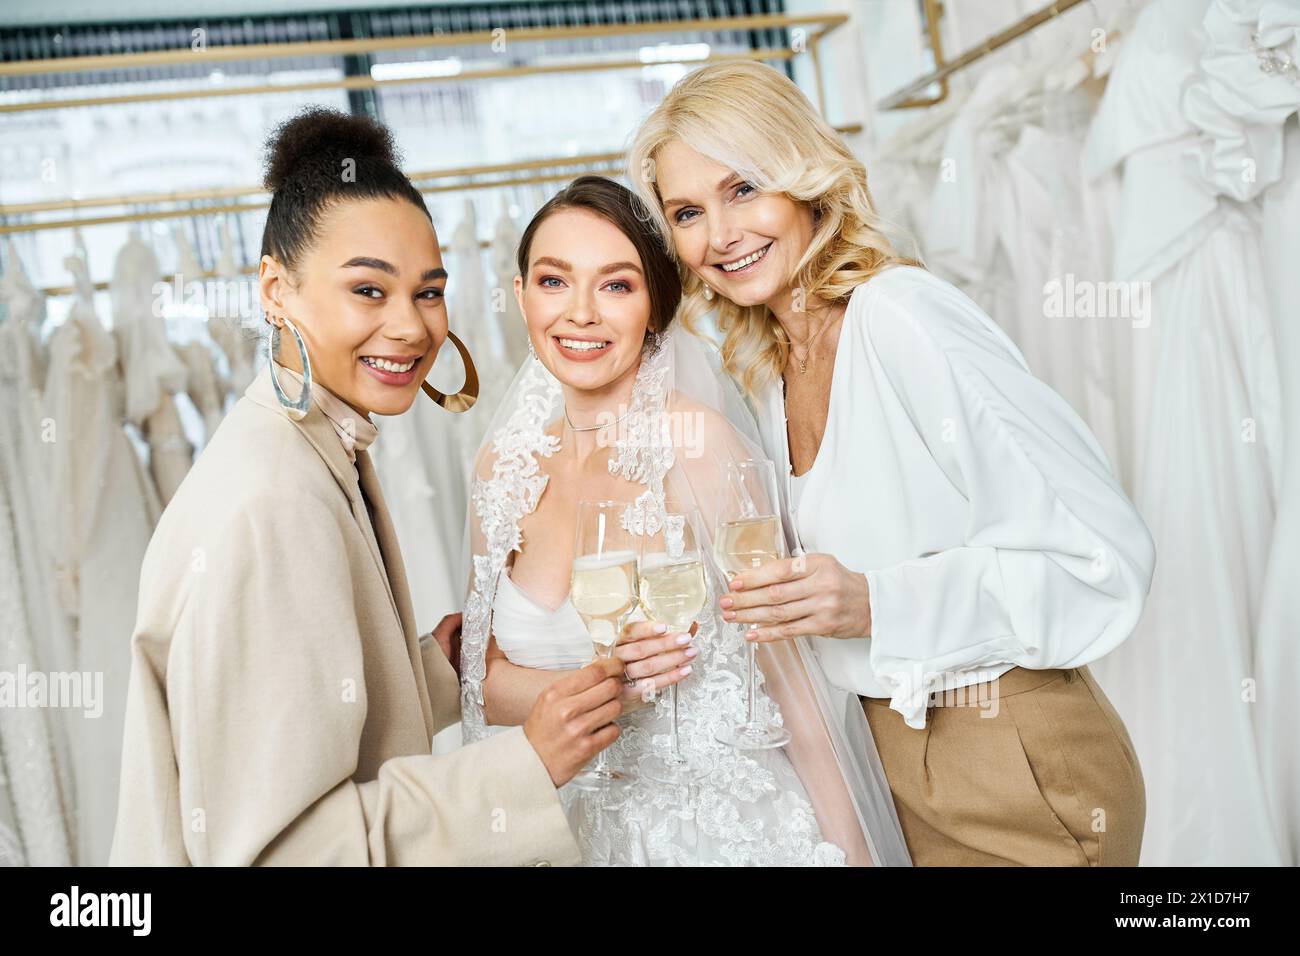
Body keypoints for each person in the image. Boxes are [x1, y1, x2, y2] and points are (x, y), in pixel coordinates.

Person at [627, 61, 1156, 866]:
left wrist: (874, 601)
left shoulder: (904, 319)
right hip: (892, 761)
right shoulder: (772, 366)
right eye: (689, 211)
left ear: (805, 180)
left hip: (1006, 756)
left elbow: (1101, 560)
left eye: (744, 189)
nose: (721, 235)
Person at [110, 108, 624, 866]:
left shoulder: (316, 445)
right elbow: (278, 853)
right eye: (368, 291)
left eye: (427, 292)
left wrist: (430, 671)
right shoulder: (270, 505)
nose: (412, 329)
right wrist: (526, 768)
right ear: (275, 289)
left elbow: (306, 711)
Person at [458, 175, 912, 866]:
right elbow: (479, 678)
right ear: (520, 297)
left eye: (616, 286)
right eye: (555, 282)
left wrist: (851, 854)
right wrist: (606, 686)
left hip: (717, 834)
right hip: (565, 835)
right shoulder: (503, 466)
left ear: (655, 309)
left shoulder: (698, 448)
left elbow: (792, 685)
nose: (580, 313)